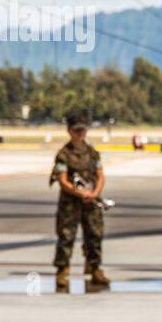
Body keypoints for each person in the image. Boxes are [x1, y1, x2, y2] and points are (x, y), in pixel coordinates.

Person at [51, 113, 109, 292]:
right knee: (66, 236)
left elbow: (100, 175)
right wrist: (79, 192)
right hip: (70, 202)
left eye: (83, 129)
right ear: (69, 131)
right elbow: (62, 179)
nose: (80, 133)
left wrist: (95, 193)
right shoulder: (63, 154)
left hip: (90, 201)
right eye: (76, 130)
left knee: (94, 235)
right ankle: (62, 270)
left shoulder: (93, 153)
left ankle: (95, 268)